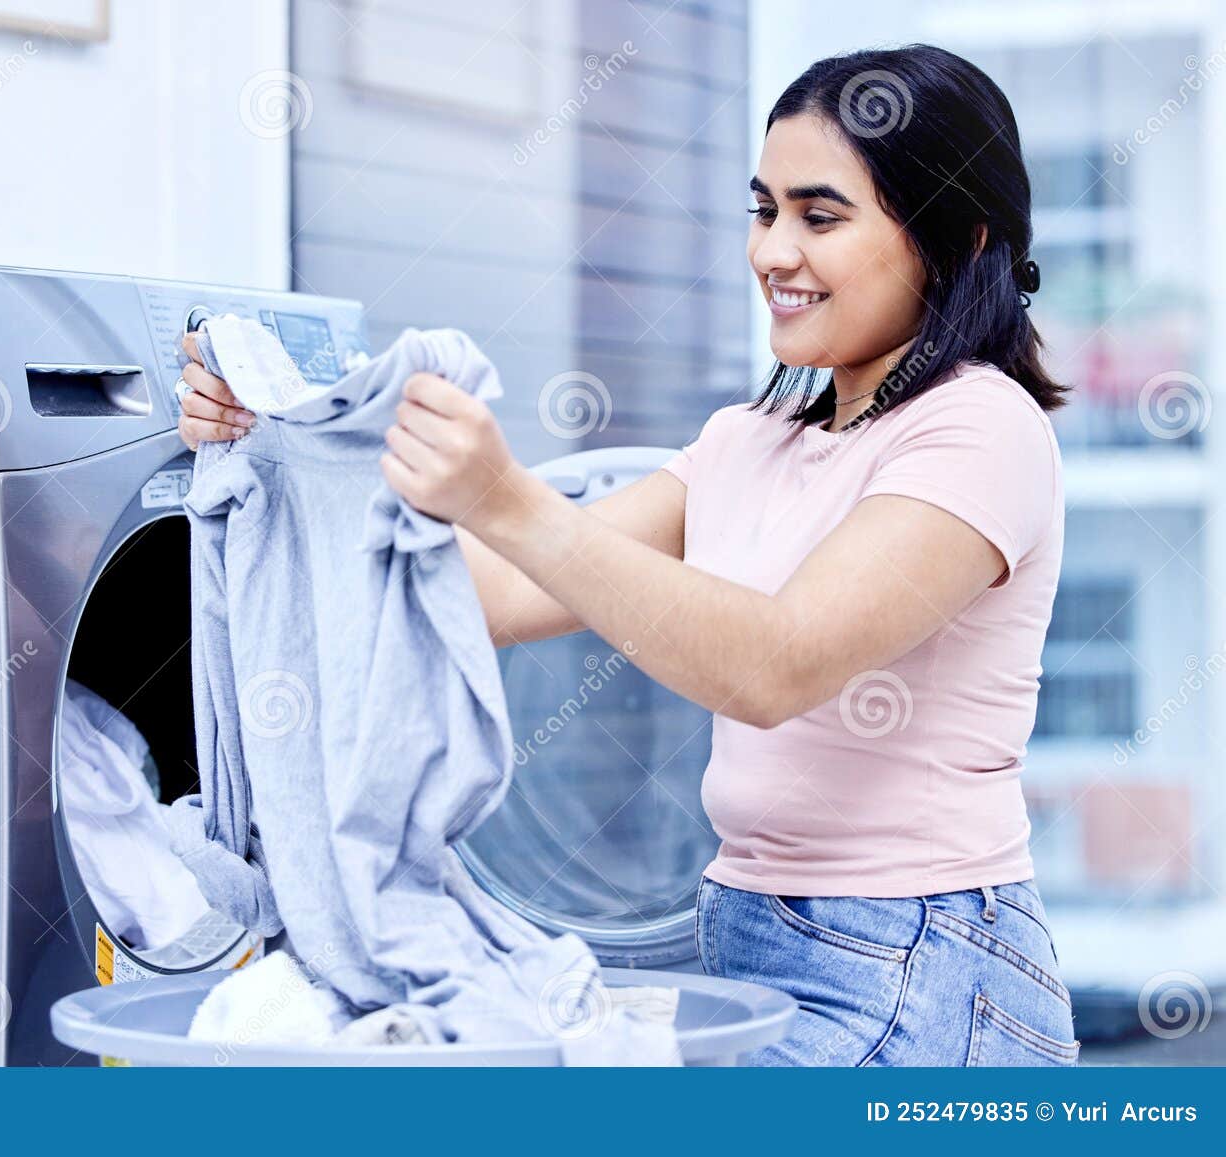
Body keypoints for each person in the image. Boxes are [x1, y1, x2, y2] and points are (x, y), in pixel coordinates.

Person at [176, 43, 1079, 1067]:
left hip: (921, 965)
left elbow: (776, 663)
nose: (772, 252)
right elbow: (494, 592)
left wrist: (506, 495)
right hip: (748, 936)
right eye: (763, 209)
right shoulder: (750, 440)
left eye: (819, 217)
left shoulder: (978, 431)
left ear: (954, 240)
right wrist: (286, 447)